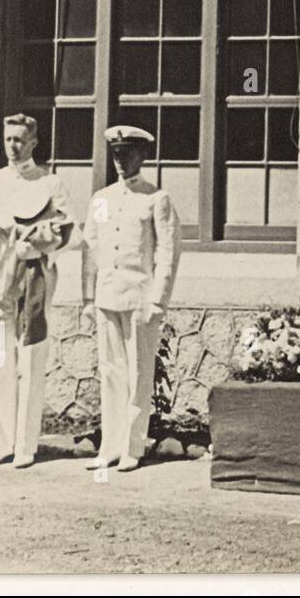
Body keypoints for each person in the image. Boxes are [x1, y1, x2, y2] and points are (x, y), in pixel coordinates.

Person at [0, 114, 75, 469]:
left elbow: (70, 230)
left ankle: (27, 445)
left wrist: (43, 240)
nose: (13, 146)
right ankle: (2, 442)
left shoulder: (50, 183)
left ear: (34, 143)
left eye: (20, 140)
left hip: (35, 279)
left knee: (31, 359)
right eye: (9, 139)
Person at [82, 125, 181, 473]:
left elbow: (167, 253)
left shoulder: (157, 199)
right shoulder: (101, 199)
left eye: (127, 154)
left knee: (139, 373)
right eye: (116, 154)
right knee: (110, 372)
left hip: (140, 298)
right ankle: (109, 447)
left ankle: (132, 448)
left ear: (143, 156)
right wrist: (87, 298)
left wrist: (158, 300)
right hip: (107, 295)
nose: (121, 161)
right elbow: (91, 249)